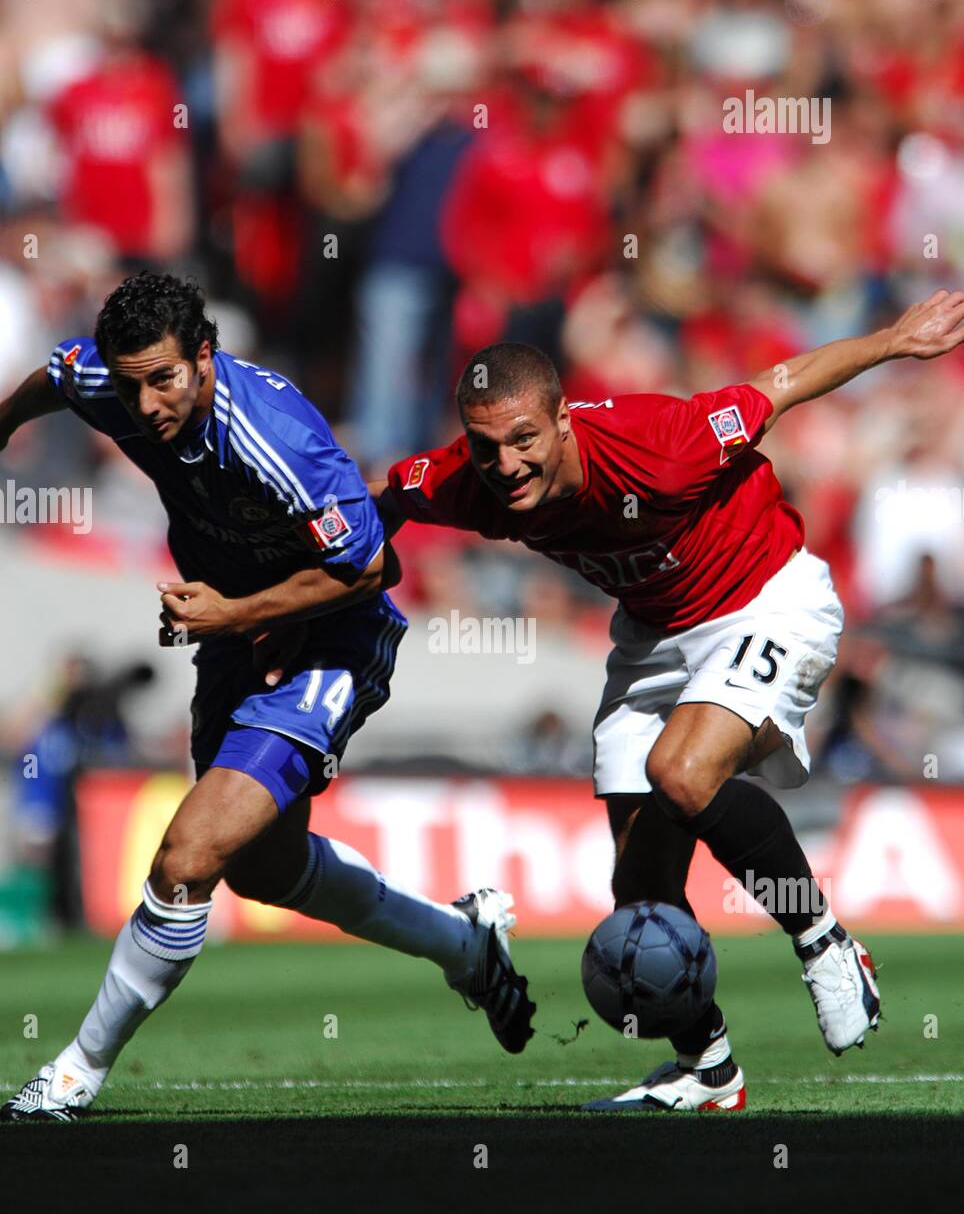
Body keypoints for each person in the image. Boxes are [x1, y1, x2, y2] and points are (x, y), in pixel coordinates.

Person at [371, 288, 964, 1111]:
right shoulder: (465, 483)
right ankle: (707, 1069)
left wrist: (897, 340)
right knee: (640, 889)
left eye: (523, 440)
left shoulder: (663, 442)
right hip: (653, 638)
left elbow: (782, 383)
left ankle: (826, 943)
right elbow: (370, 509)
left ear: (564, 421)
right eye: (484, 446)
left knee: (681, 773)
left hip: (766, 599)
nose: (505, 465)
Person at [0, 272, 534, 1123]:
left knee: (186, 859)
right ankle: (464, 945)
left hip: (331, 641)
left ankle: (72, 1075)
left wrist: (236, 609)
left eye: (164, 379)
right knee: (265, 871)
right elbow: (50, 379)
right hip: (235, 637)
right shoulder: (109, 378)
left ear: (205, 359)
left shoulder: (275, 436)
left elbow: (369, 566)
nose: (146, 404)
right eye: (130, 383)